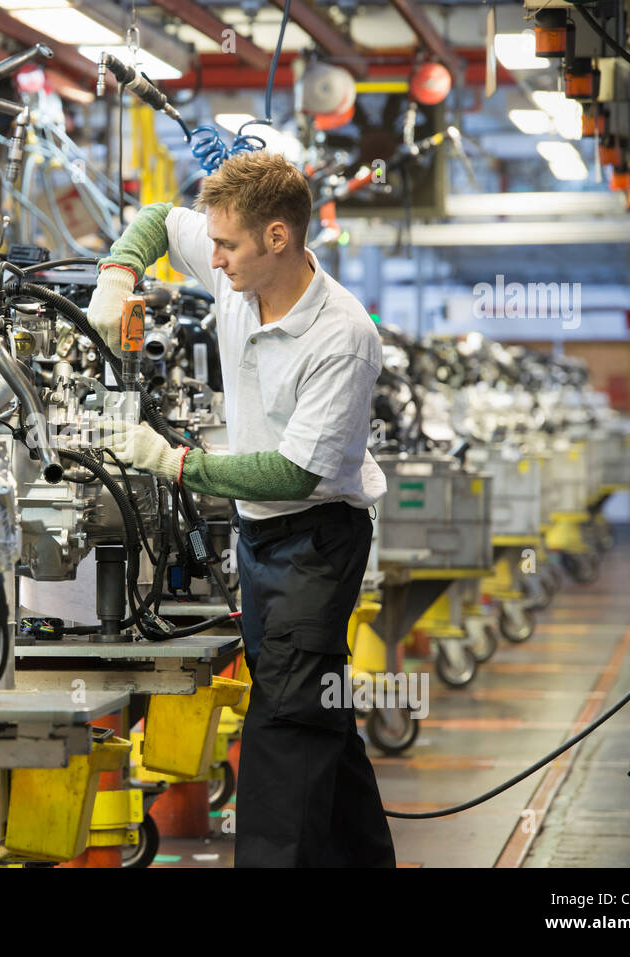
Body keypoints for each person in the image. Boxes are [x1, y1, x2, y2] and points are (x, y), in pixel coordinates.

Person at [91, 151, 395, 867]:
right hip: (260, 539)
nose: (215, 257)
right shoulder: (239, 271)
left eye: (228, 245)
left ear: (278, 238)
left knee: (284, 728)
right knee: (315, 714)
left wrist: (175, 461)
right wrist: (119, 270)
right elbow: (163, 220)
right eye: (216, 242)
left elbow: (292, 473)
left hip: (316, 540)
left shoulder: (343, 337)